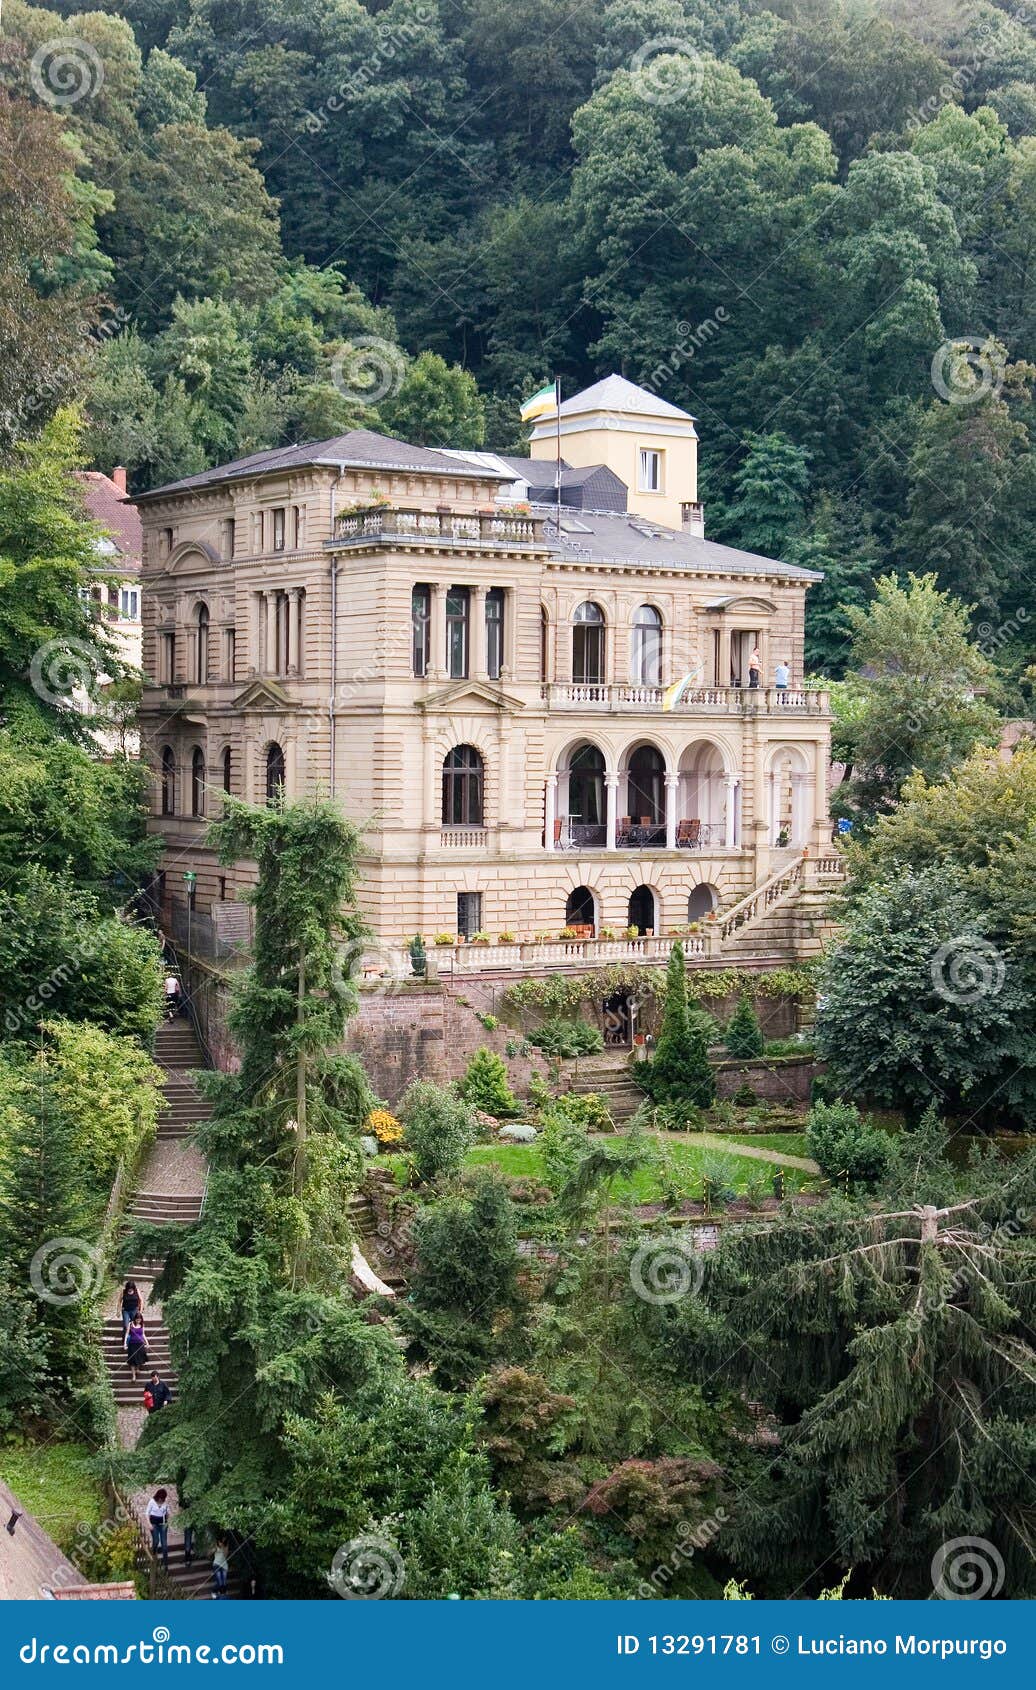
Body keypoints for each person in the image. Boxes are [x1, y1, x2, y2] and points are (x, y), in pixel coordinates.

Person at [147, 1489, 170, 1571]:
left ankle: (165, 1564)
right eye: (160, 1497)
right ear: (157, 1496)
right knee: (156, 1541)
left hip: (163, 1524)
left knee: (164, 1545)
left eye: (162, 1498)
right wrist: (149, 1524)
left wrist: (167, 1523)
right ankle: (153, 1557)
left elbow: (168, 1514)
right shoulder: (152, 1502)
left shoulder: (165, 1503)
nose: (161, 1499)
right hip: (154, 1524)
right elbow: (147, 1513)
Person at [126, 1314, 149, 1381]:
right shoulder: (130, 1324)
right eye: (137, 1319)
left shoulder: (142, 1325)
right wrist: (125, 1343)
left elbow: (143, 1334)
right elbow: (127, 1334)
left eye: (140, 1319)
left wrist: (147, 1342)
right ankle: (133, 1375)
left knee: (140, 1357)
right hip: (132, 1344)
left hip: (140, 1344)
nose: (138, 1321)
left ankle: (137, 1368)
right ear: (135, 1319)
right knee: (132, 1359)